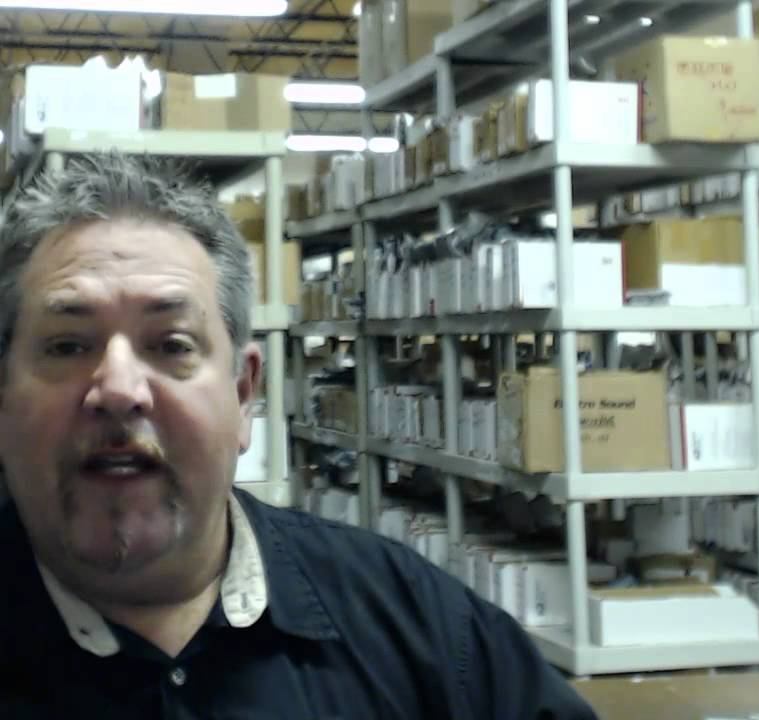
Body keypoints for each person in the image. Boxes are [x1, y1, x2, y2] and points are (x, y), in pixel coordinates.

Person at [0, 153, 598, 719]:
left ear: (243, 394)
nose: (118, 389)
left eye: (172, 344)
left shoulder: (423, 633)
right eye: (67, 346)